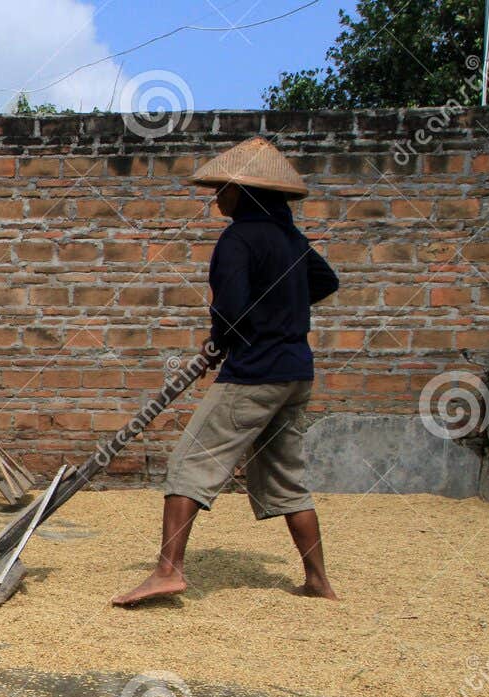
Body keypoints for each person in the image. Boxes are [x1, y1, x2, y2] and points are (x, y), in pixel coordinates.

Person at [114, 136, 340, 608]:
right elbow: (325, 281)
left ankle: (168, 571)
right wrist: (280, 310)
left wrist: (225, 338)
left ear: (245, 192)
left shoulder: (238, 239)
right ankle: (318, 579)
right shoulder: (289, 239)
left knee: (189, 463)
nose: (217, 198)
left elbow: (232, 310)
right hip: (296, 371)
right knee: (286, 477)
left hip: (255, 372)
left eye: (224, 190)